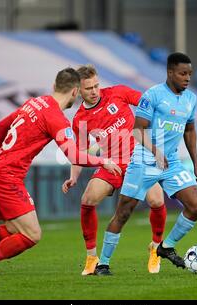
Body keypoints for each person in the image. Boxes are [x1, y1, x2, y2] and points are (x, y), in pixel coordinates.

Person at [0, 68, 121, 285]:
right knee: (31, 235)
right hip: (7, 176)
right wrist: (103, 161)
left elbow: (2, 126)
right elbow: (73, 155)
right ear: (75, 92)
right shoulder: (56, 118)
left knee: (13, 229)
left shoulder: (34, 102)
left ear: (54, 86)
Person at [94, 53, 197, 276]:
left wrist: (196, 164)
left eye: (190, 74)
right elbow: (138, 129)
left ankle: (166, 247)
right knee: (124, 212)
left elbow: (190, 130)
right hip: (144, 160)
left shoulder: (190, 99)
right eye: (183, 74)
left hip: (171, 162)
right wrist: (155, 153)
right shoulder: (152, 95)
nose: (187, 78)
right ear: (170, 72)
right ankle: (103, 263)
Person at [61, 65, 167, 275]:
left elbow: (146, 103)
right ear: (78, 90)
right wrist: (73, 176)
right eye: (89, 88)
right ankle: (92, 258)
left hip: (137, 160)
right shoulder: (81, 119)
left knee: (157, 200)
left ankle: (155, 248)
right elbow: (80, 152)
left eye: (96, 85)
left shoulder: (118, 92)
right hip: (112, 164)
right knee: (88, 199)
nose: (94, 91)